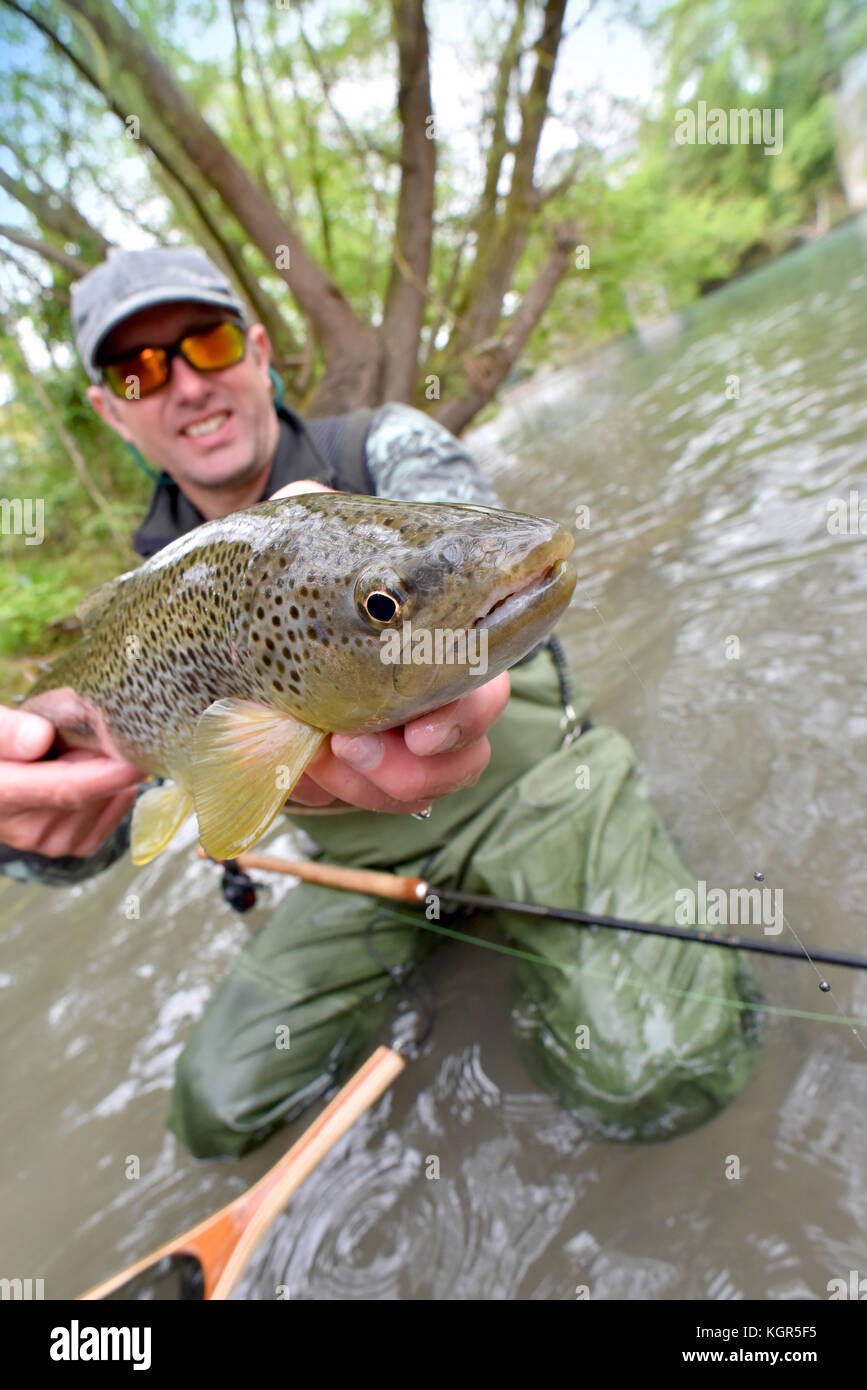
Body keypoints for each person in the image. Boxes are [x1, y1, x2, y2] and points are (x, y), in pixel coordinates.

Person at [0, 249, 760, 1157]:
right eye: (142, 369)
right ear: (111, 409)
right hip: (368, 873)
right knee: (215, 1112)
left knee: (662, 1073)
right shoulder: (135, 594)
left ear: (256, 349)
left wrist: (426, 634)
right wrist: (26, 825)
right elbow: (114, 820)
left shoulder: (387, 452)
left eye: (205, 343)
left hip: (531, 796)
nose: (188, 385)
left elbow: (479, 560)